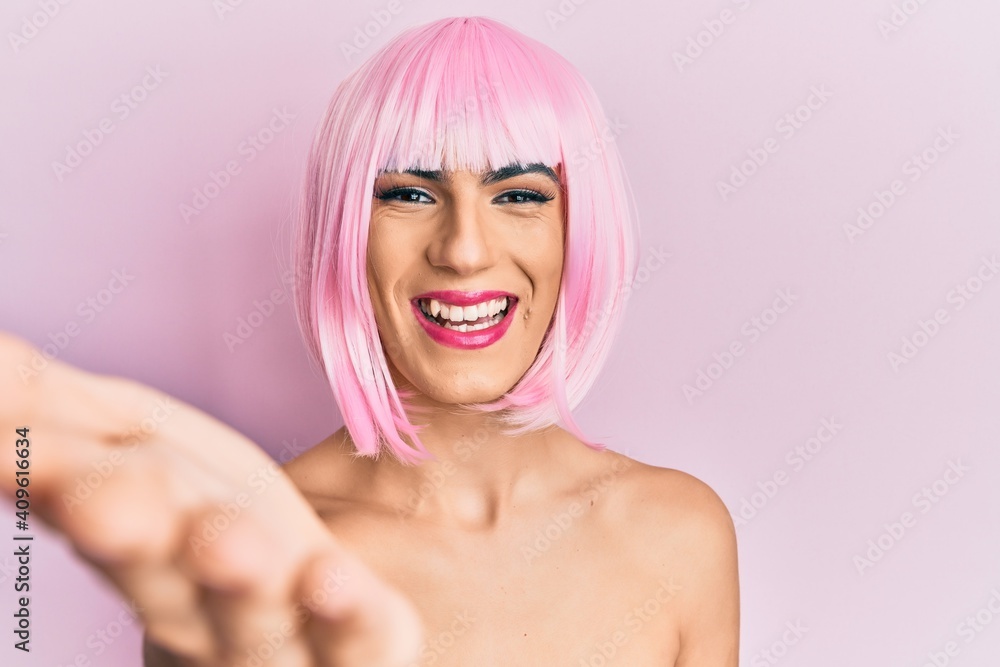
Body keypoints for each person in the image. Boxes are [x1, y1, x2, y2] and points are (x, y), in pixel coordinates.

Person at [0, 16, 738, 667]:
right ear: (347, 231)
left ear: (580, 231)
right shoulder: (265, 554)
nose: (464, 249)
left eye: (519, 194)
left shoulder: (681, 535)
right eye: (410, 193)